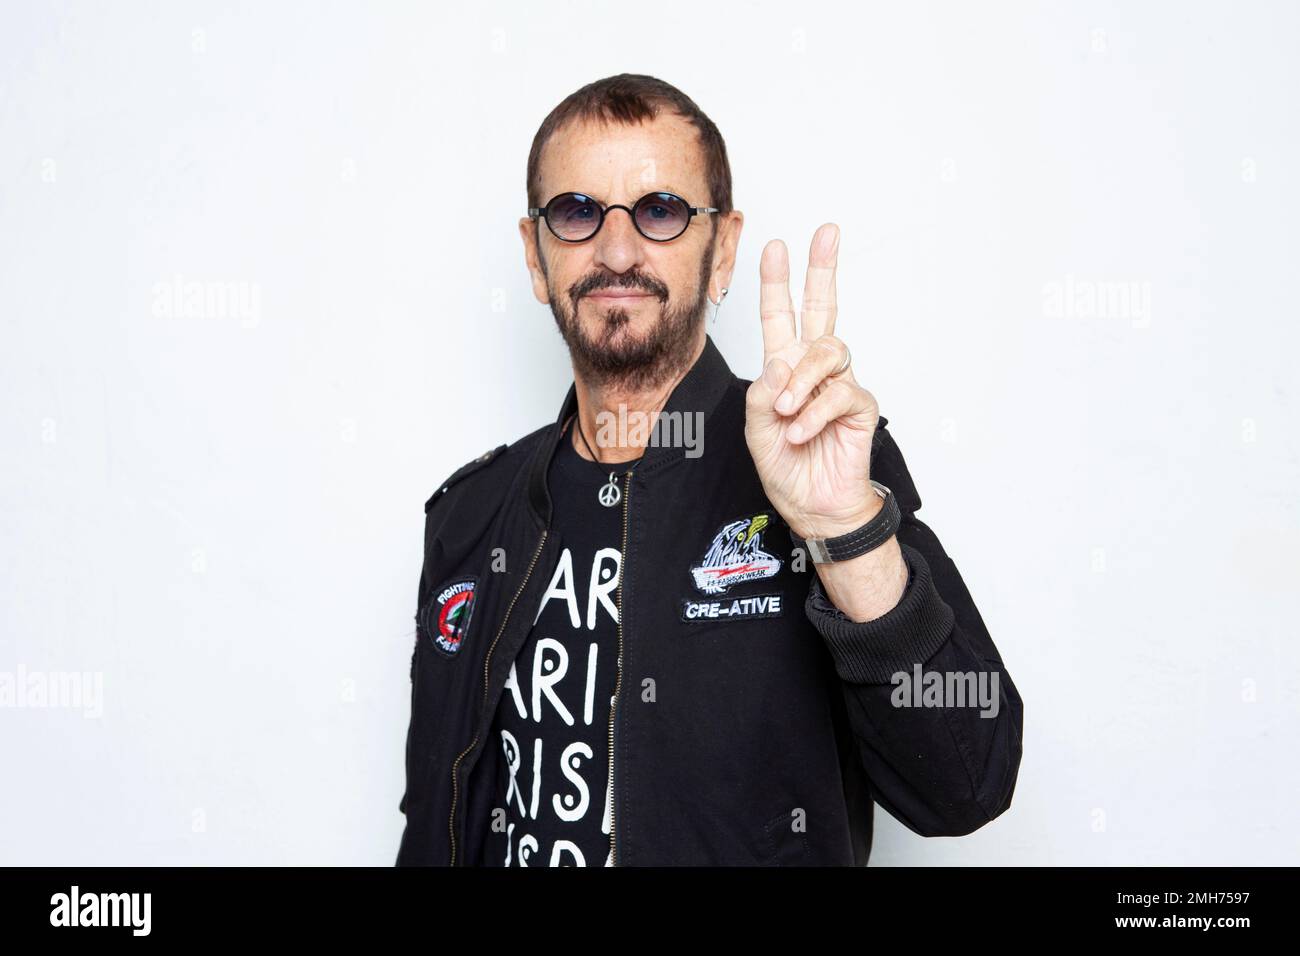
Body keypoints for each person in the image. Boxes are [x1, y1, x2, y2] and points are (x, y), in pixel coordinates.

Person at [396, 73, 1023, 867]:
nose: (616, 250)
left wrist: (844, 537)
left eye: (659, 211)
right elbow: (433, 822)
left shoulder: (817, 467)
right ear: (536, 254)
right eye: (577, 212)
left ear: (721, 247)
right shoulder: (470, 516)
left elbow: (968, 784)